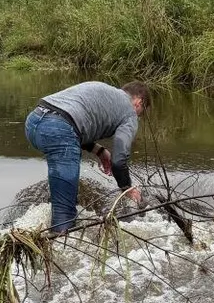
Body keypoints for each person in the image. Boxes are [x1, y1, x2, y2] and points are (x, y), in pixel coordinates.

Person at [24, 81, 149, 234]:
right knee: (65, 213)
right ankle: (60, 247)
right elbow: (119, 159)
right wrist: (126, 188)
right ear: (139, 102)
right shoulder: (130, 112)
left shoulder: (106, 93)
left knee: (66, 198)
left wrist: (99, 150)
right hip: (58, 129)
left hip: (34, 122)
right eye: (141, 113)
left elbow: (76, 122)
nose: (138, 117)